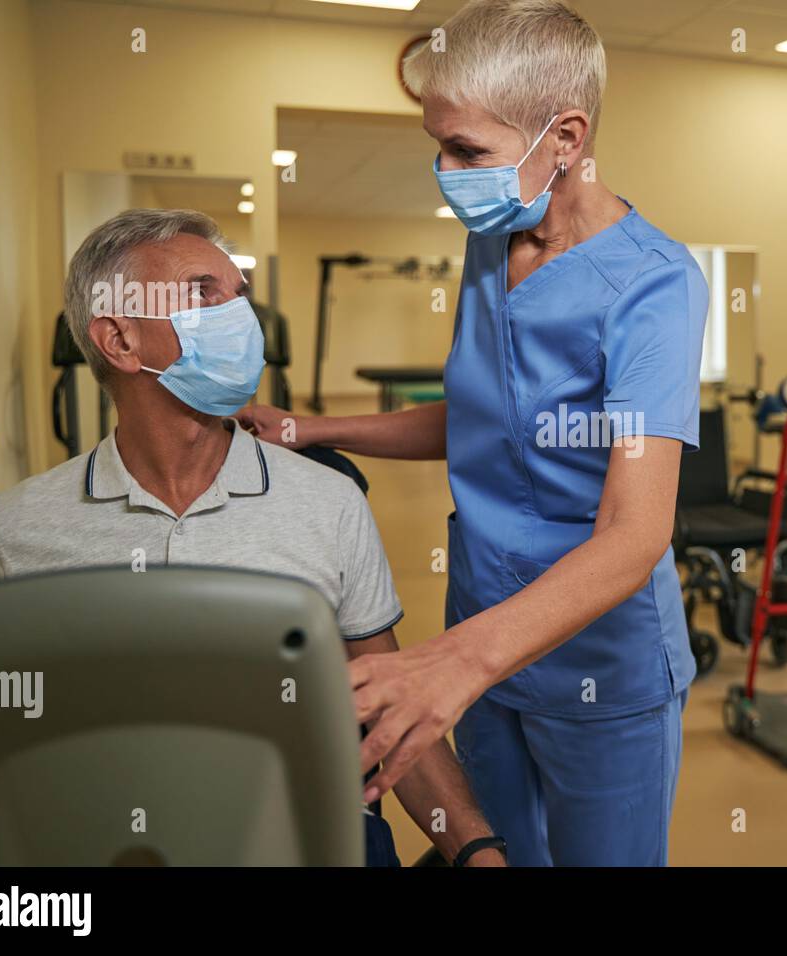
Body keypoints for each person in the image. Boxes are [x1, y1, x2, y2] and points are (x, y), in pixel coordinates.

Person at [238, 0, 708, 866]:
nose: (443, 171)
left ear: (564, 138)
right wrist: (309, 426)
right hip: (485, 630)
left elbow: (636, 535)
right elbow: (489, 423)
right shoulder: (494, 244)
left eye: (466, 151)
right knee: (494, 857)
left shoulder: (654, 284)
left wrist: (452, 663)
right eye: (438, 145)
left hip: (596, 659)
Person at [0, 208, 505, 868]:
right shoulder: (14, 532)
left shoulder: (329, 504)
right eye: (200, 293)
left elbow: (389, 710)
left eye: (237, 295)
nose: (240, 317)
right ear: (119, 341)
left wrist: (475, 848)